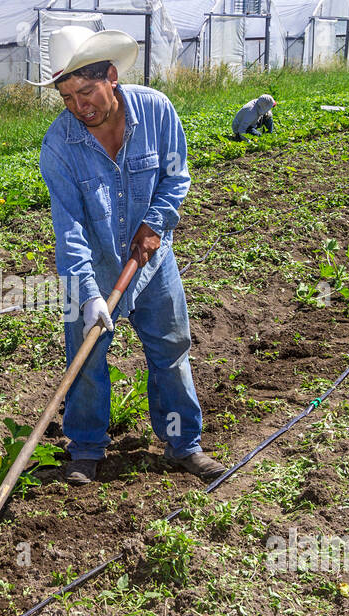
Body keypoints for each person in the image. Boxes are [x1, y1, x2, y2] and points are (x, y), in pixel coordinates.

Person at [31, 26, 226, 485]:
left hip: (153, 264)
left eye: (86, 91)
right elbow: (69, 229)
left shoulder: (157, 111)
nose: (81, 107)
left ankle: (184, 445)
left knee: (170, 351)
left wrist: (156, 223)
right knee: (85, 359)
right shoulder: (59, 146)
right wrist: (87, 294)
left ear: (112, 75)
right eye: (67, 98)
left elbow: (176, 177)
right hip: (93, 269)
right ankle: (86, 450)